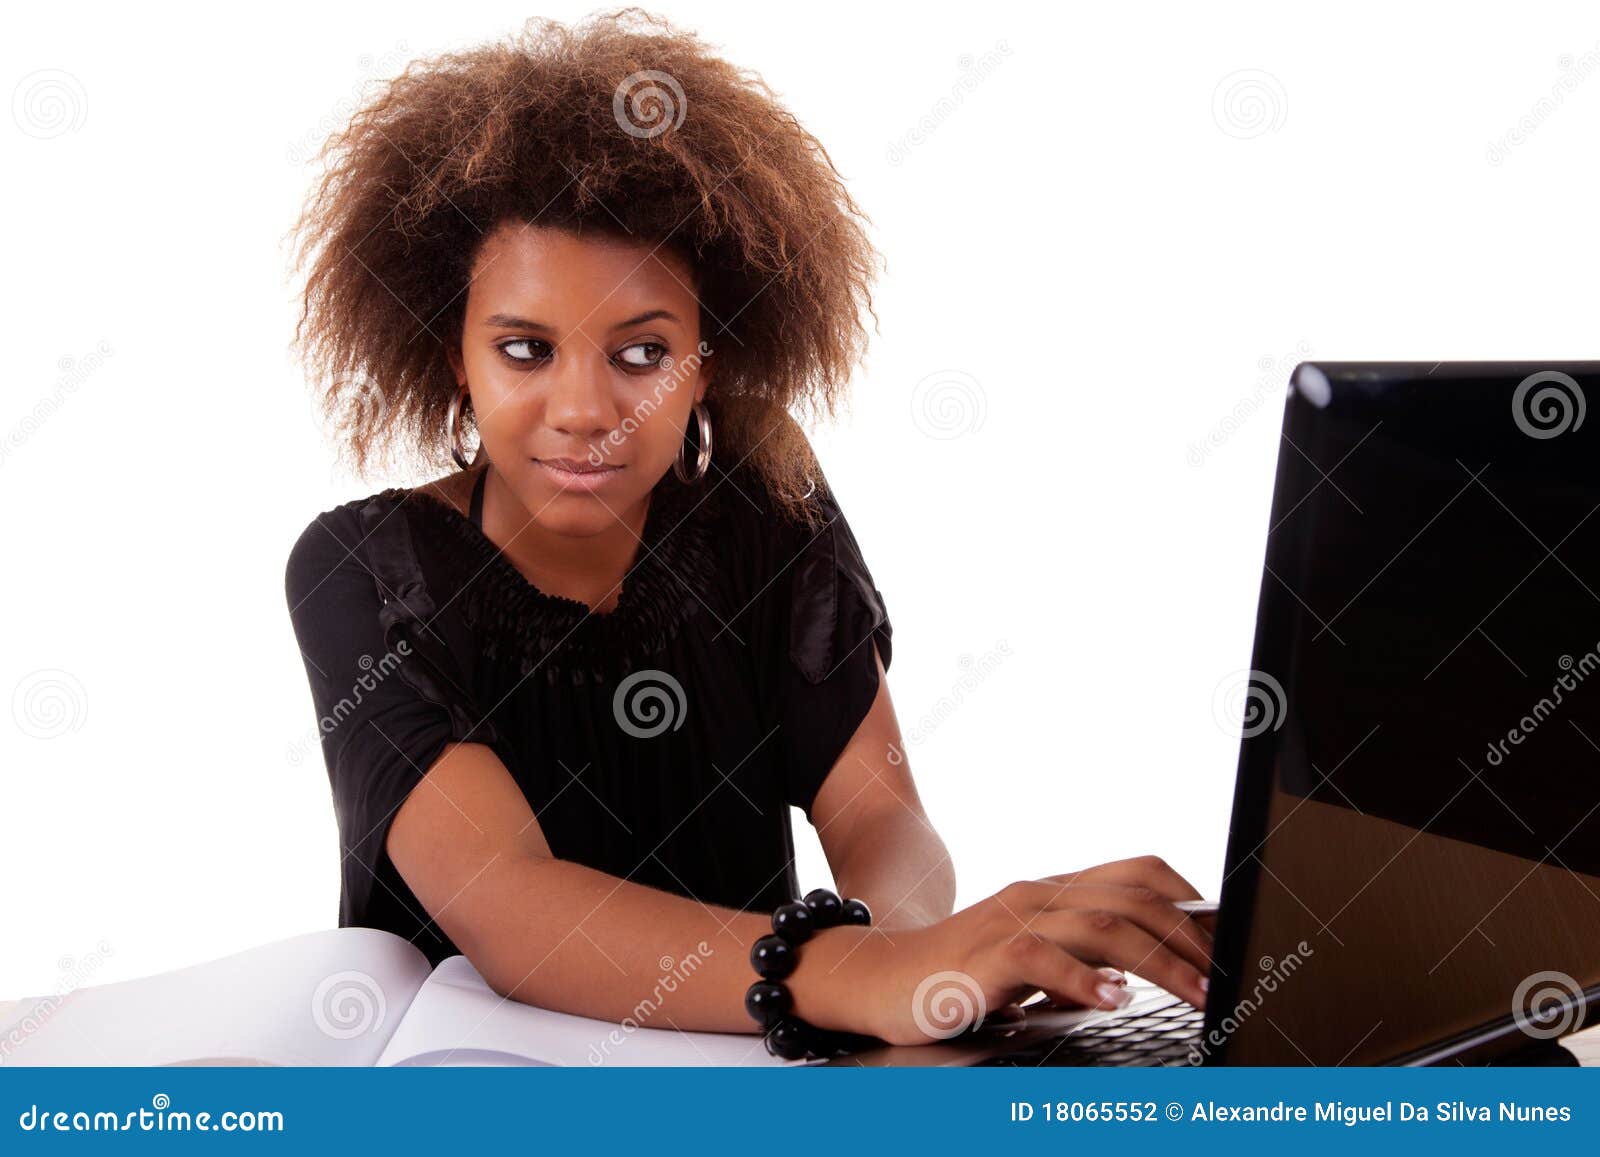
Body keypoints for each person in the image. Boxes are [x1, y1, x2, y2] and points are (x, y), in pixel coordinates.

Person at [284, 9, 1210, 1054]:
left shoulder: (766, 511)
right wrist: (867, 972)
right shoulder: (363, 567)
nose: (585, 408)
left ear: (709, 363)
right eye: (525, 349)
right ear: (455, 354)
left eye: (642, 355)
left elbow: (878, 817)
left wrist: (919, 957)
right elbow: (511, 904)